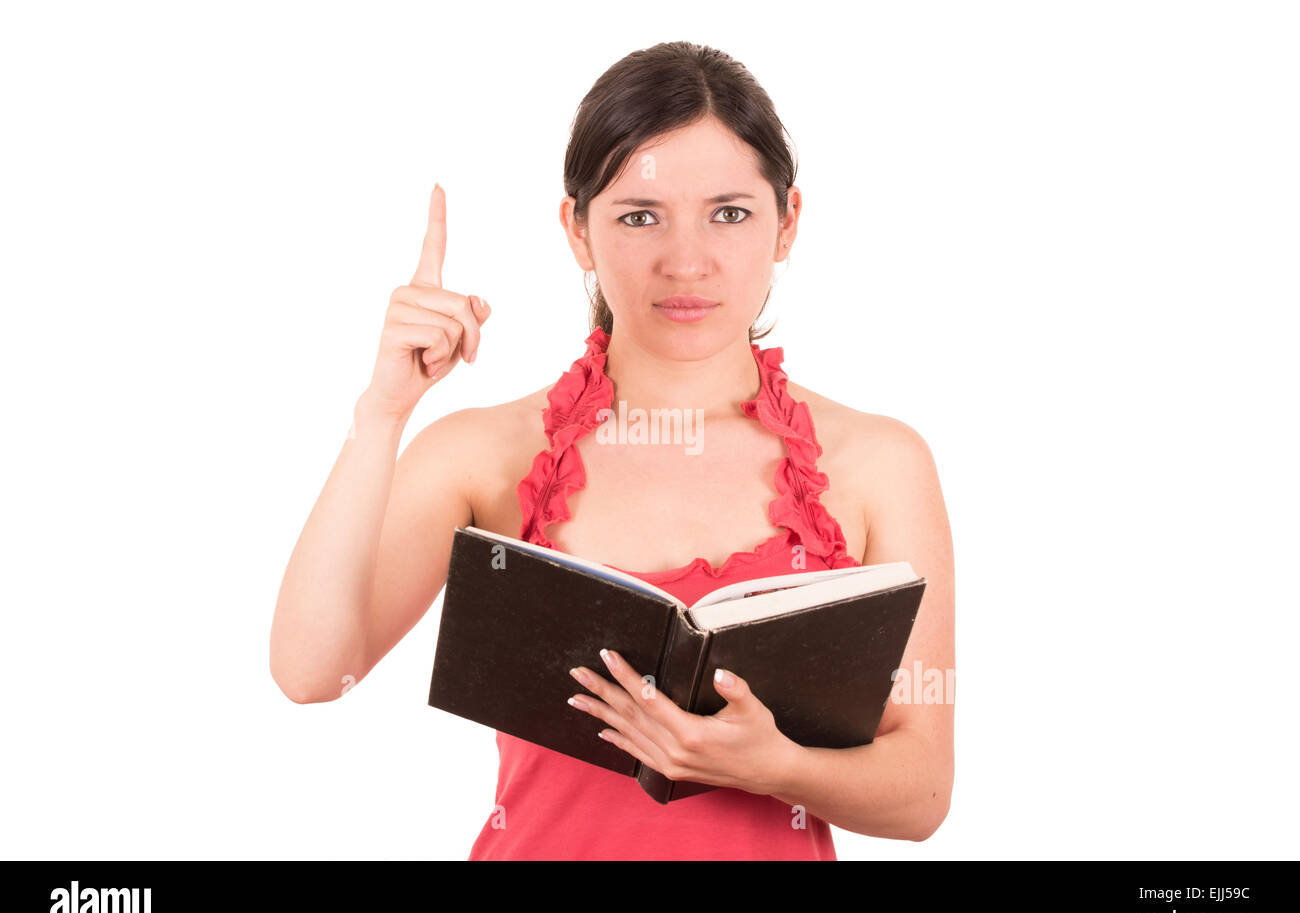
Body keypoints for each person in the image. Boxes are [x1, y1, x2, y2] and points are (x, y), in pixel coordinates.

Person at [269, 40, 954, 860]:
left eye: (729, 212)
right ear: (578, 229)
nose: (686, 260)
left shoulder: (879, 463)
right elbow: (311, 673)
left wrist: (776, 764)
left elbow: (922, 791)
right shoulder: (484, 455)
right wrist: (382, 412)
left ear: (787, 222)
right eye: (639, 216)